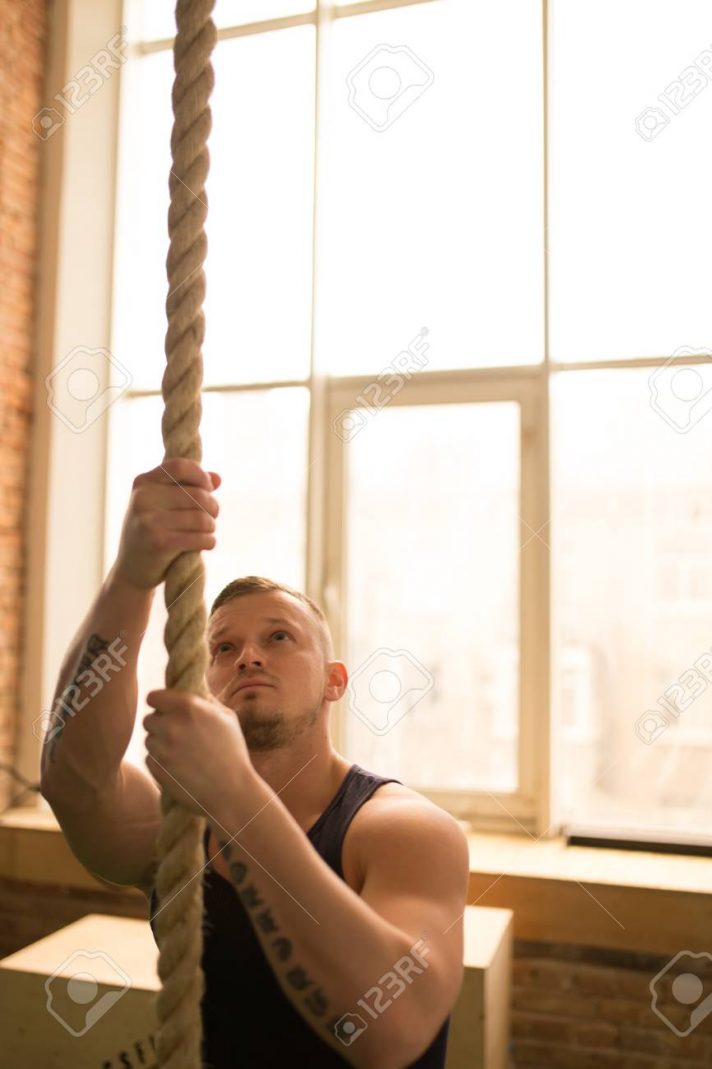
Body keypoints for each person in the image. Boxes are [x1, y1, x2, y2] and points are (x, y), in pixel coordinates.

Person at [40, 459, 469, 1069]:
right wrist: (132, 579)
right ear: (207, 678)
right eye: (222, 647)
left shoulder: (403, 832)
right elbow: (71, 780)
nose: (247, 658)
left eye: (278, 638)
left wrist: (236, 795)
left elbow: (392, 1031)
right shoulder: (175, 830)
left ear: (334, 681)